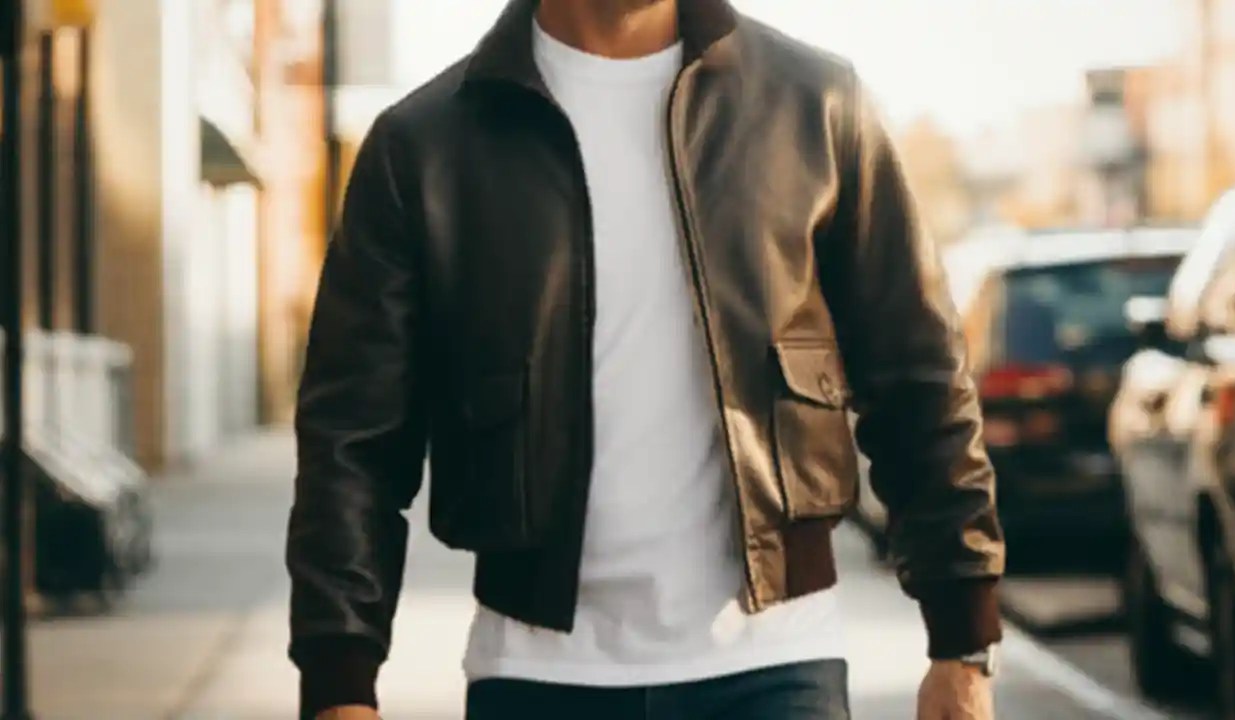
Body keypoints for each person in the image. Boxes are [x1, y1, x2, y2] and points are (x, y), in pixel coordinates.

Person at [286, 1, 1006, 718]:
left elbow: (918, 375)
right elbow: (352, 442)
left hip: (776, 666)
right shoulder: (426, 146)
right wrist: (338, 678)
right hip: (537, 675)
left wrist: (964, 641)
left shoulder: (814, 105)